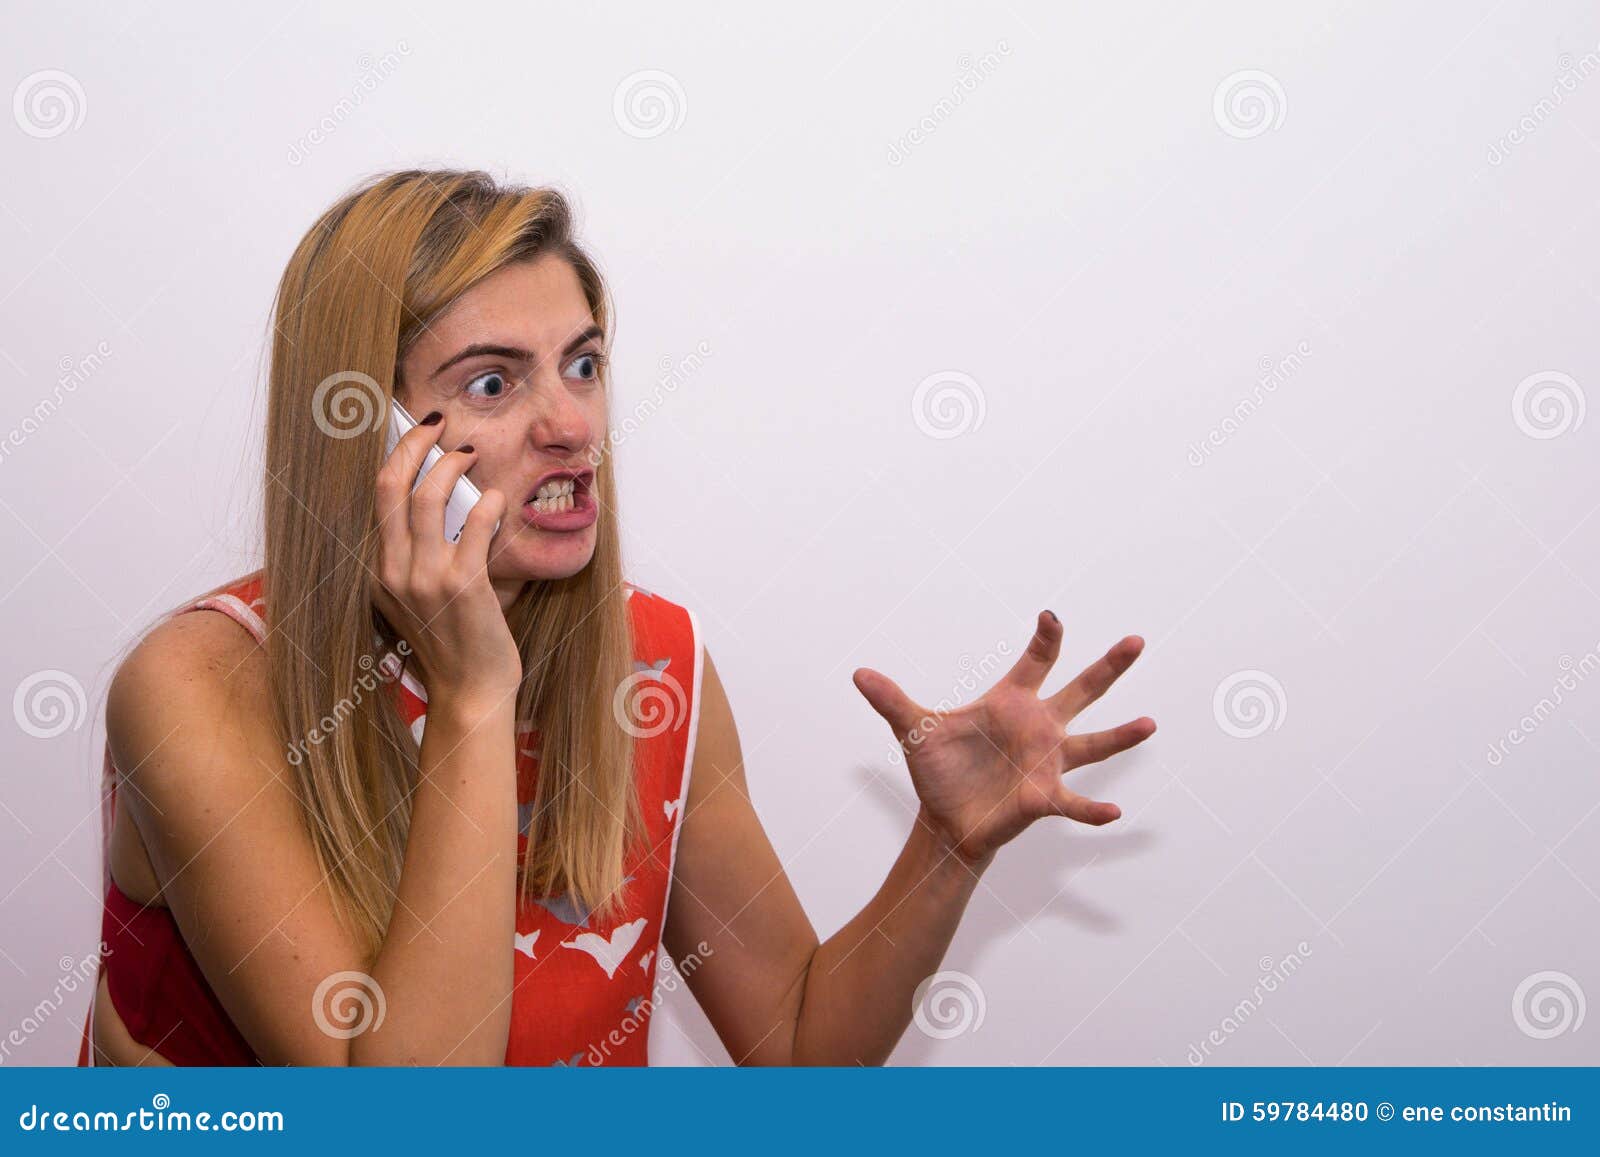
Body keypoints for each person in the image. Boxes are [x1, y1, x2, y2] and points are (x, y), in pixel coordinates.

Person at [79, 169, 1155, 1067]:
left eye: (583, 365)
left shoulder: (653, 666)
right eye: (493, 383)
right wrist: (473, 693)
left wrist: (945, 848)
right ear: (362, 430)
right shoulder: (200, 685)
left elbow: (796, 1048)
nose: (571, 424)